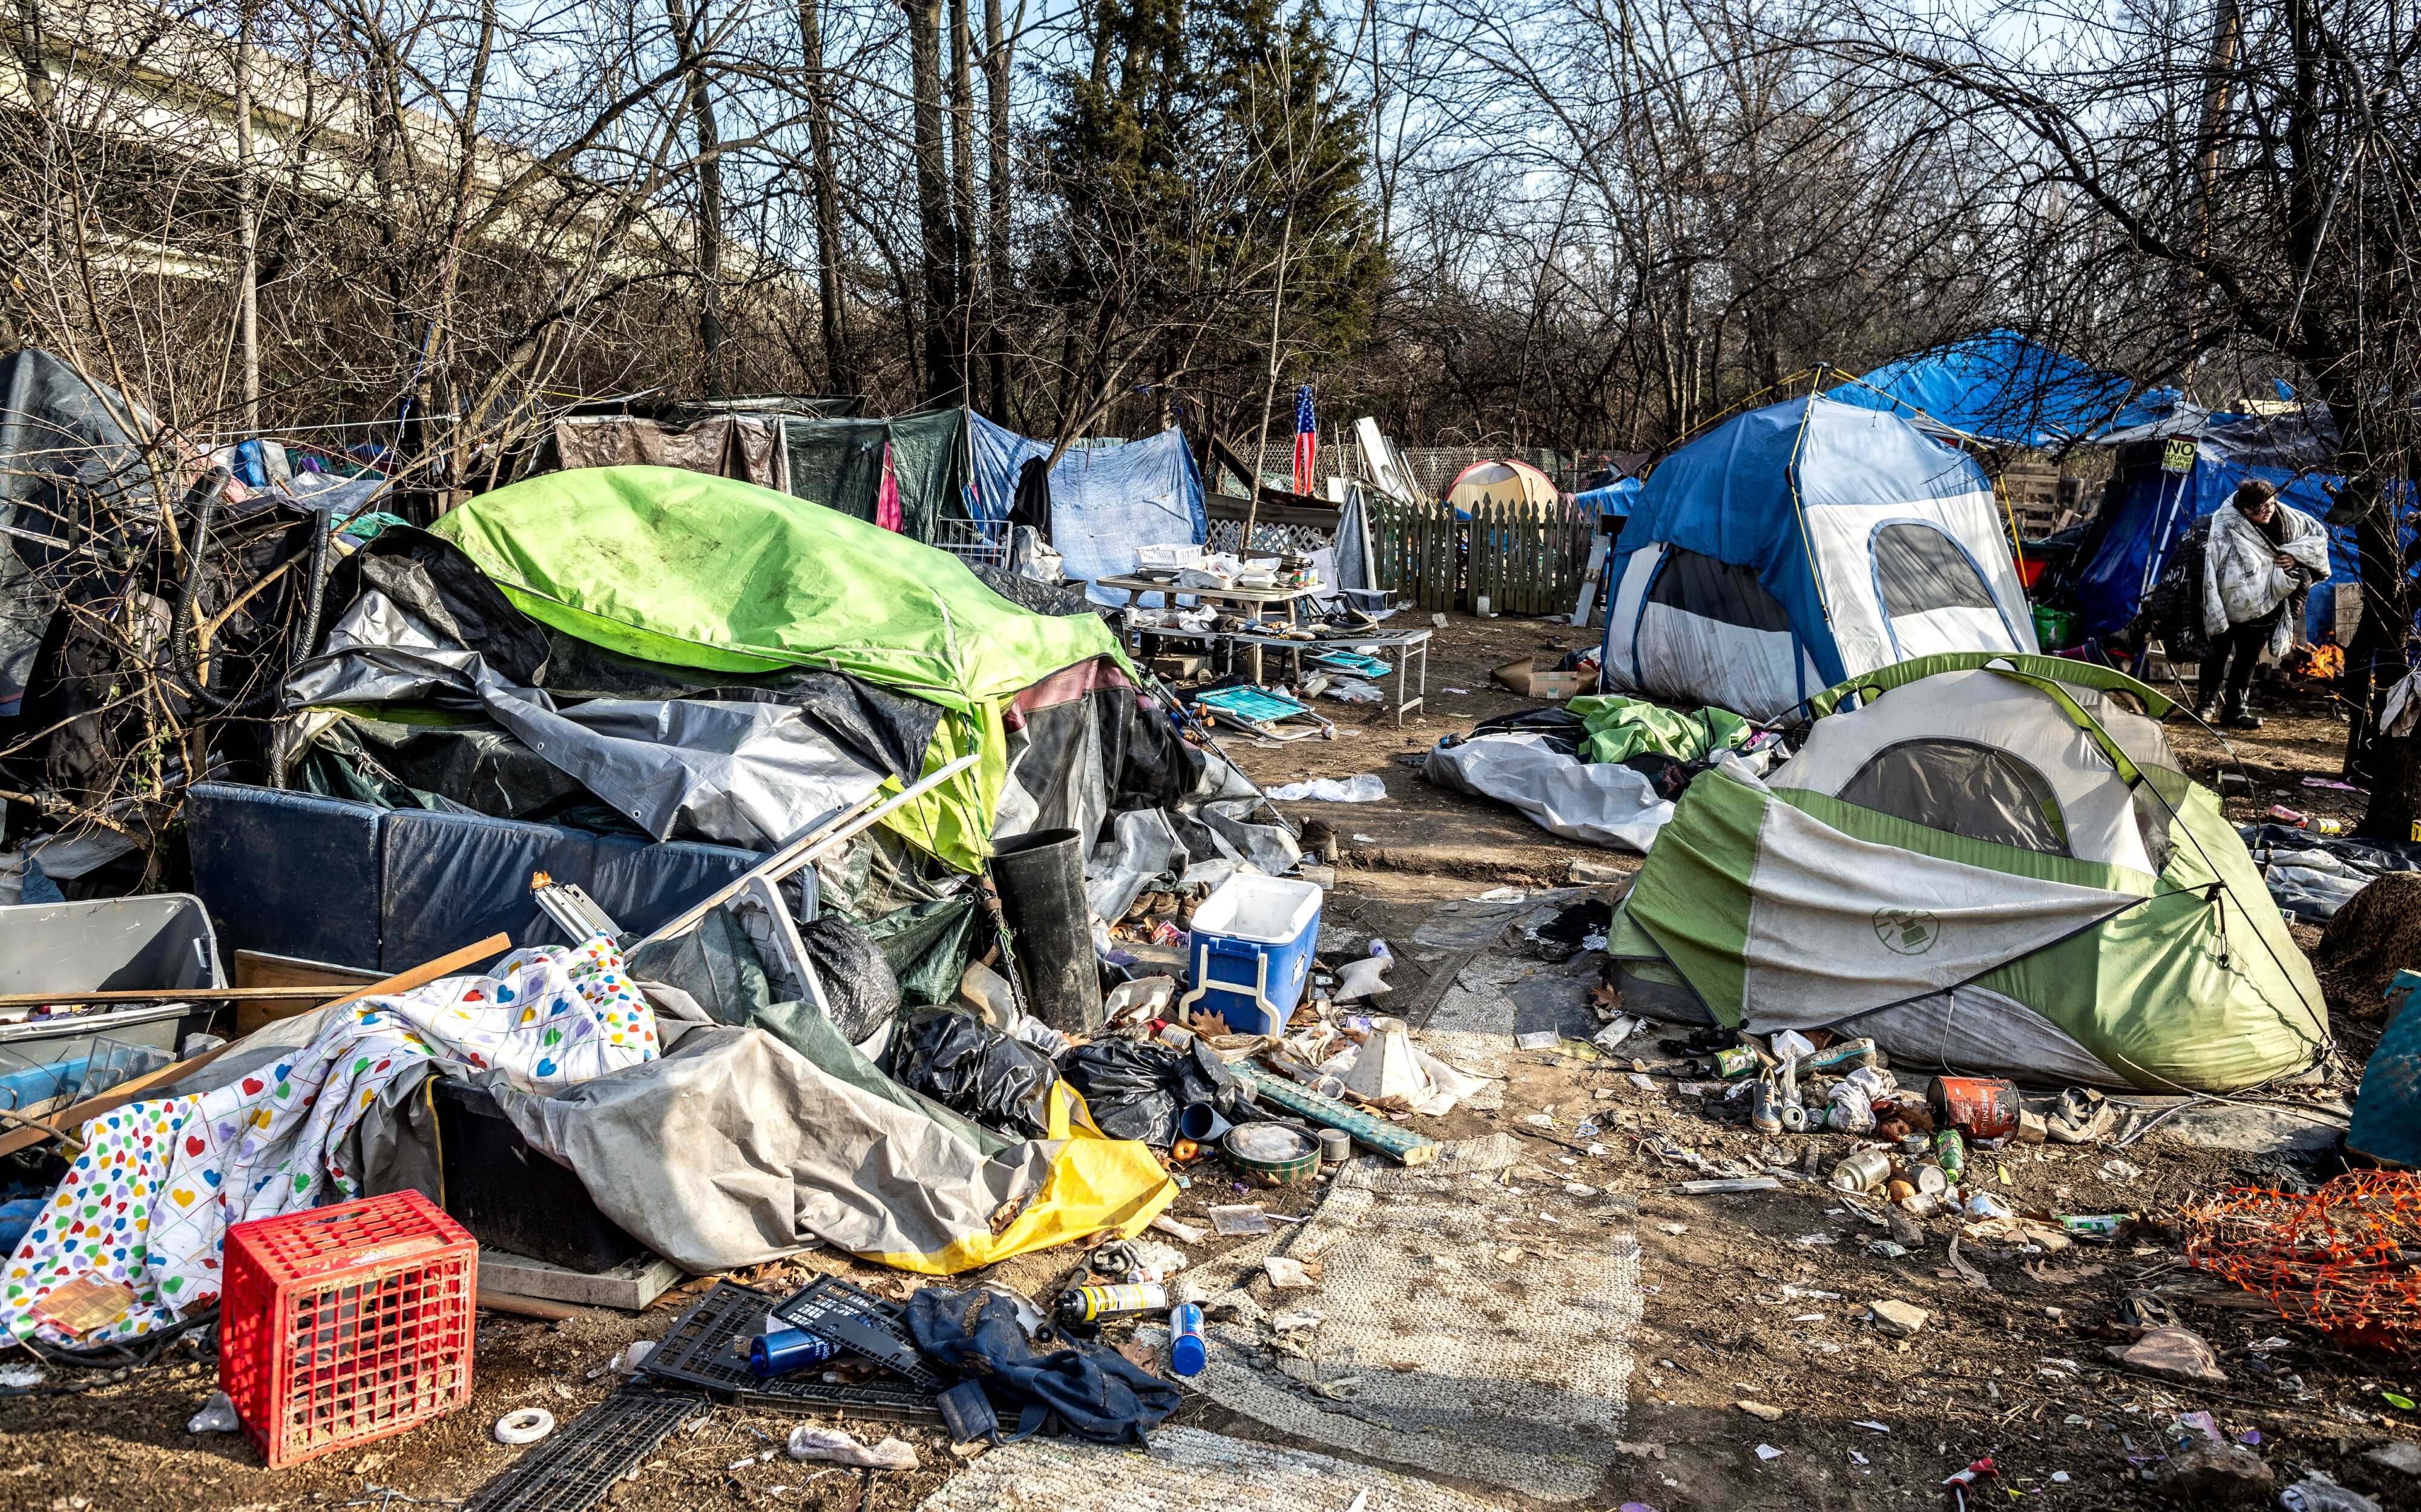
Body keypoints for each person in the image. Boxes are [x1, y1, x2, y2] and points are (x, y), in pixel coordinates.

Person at [2197, 478, 2330, 729]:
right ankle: (2205, 705)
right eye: (2260, 507)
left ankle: (2236, 710)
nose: (2268, 510)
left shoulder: (2288, 520)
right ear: (2245, 508)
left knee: (2247, 657)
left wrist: (2296, 557)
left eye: (2271, 504)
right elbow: (2210, 563)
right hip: (2227, 601)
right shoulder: (2224, 524)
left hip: (2265, 604)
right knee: (2216, 654)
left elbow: (2316, 538)